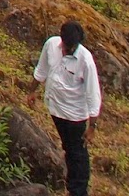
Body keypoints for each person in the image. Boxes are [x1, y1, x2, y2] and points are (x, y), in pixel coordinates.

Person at [34, 20, 102, 196]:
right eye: (66, 46)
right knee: (68, 148)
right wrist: (31, 91)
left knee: (78, 153)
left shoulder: (85, 61)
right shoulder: (51, 45)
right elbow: (41, 70)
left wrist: (92, 126)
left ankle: (78, 190)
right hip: (55, 109)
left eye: (71, 47)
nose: (67, 50)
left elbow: (93, 95)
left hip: (75, 116)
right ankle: (72, 185)